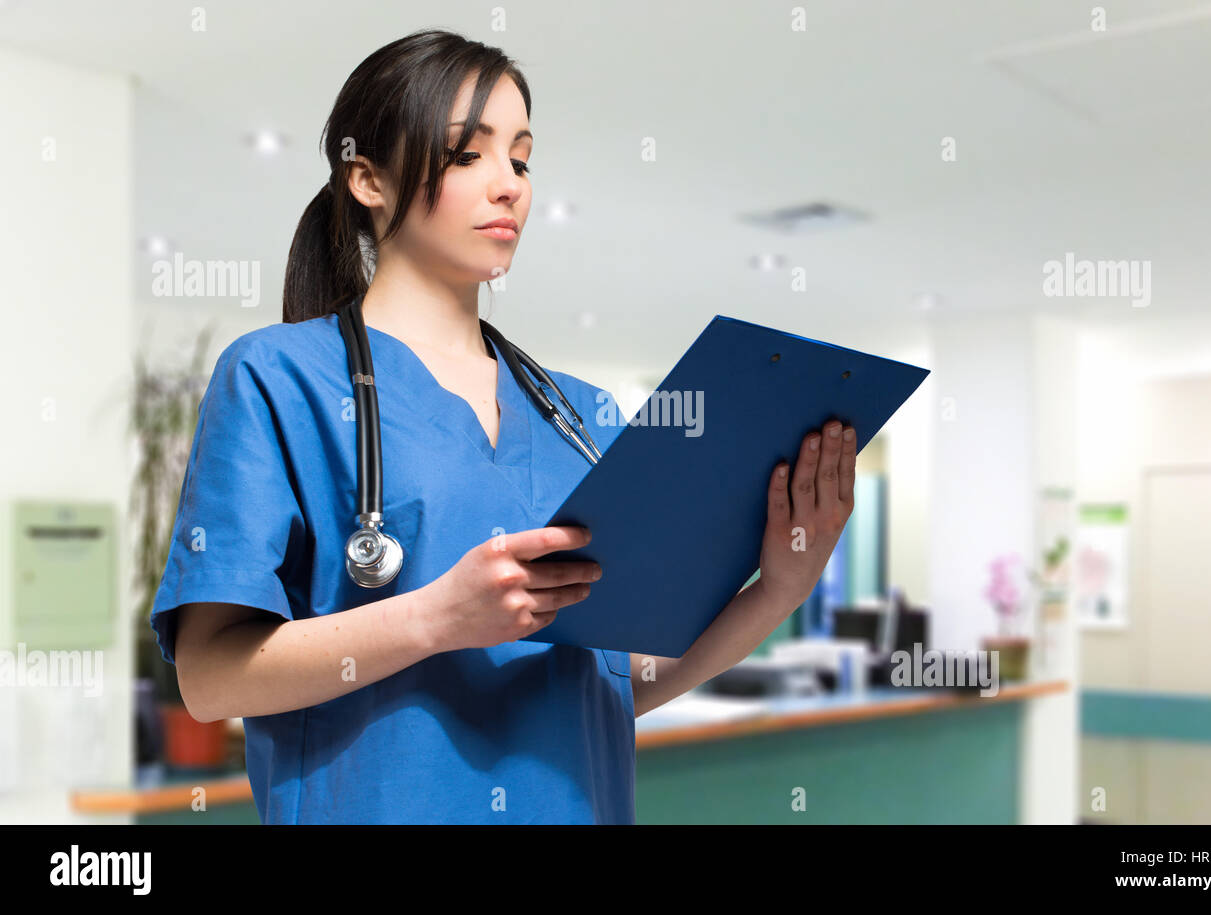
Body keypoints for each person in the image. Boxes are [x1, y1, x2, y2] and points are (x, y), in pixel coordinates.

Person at [150, 28, 856, 825]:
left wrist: (779, 589)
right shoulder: (277, 379)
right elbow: (210, 679)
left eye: (520, 159)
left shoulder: (585, 415)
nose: (510, 185)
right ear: (367, 177)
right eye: (466, 154)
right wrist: (434, 618)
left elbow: (615, 682)